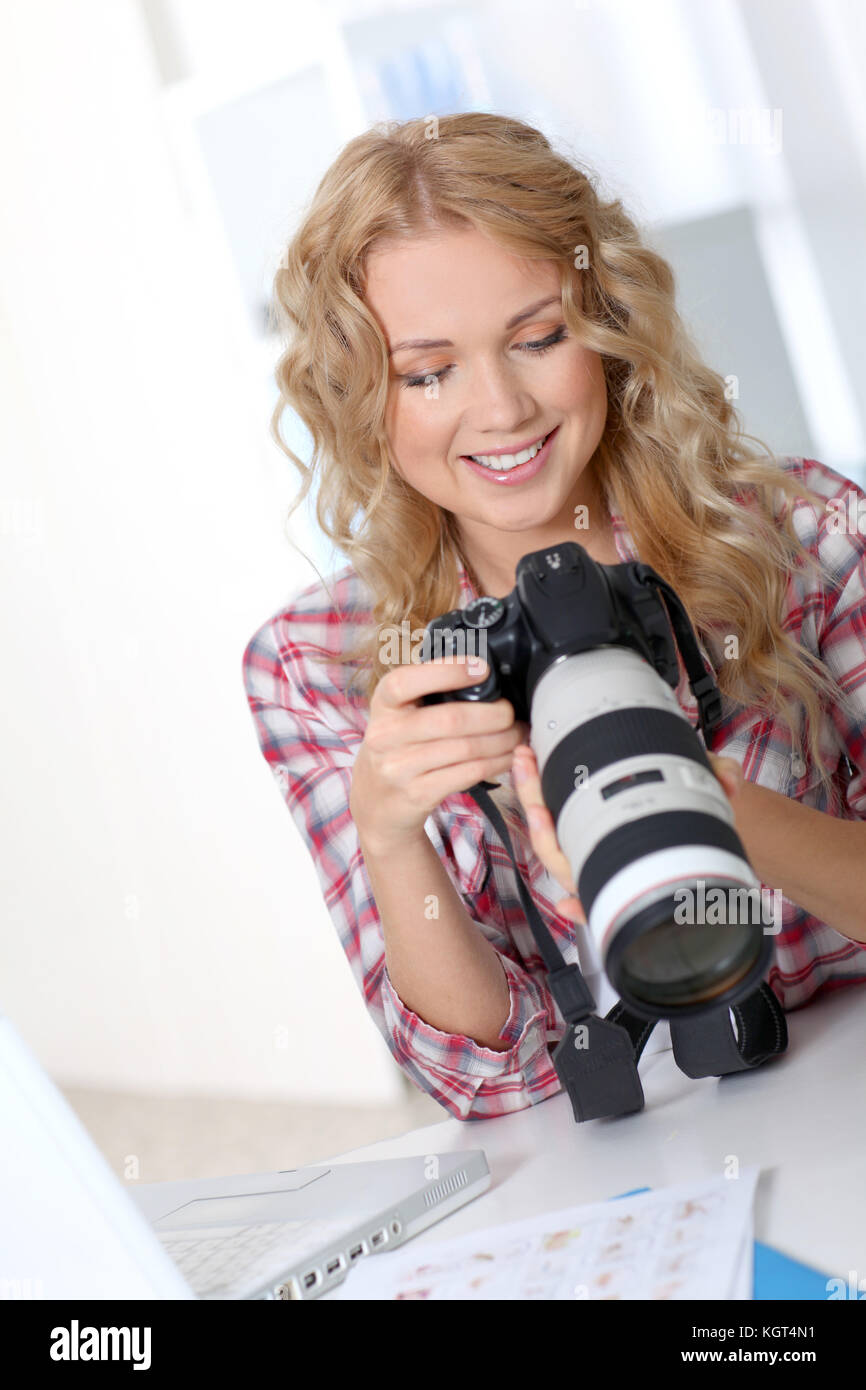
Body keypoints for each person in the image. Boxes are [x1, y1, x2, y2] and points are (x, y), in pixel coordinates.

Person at [242, 112, 866, 1121]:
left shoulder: (801, 536)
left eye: (537, 338)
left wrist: (697, 810)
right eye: (427, 371)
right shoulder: (314, 665)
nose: (498, 409)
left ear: (607, 325)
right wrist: (388, 829)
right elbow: (489, 1077)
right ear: (361, 395)